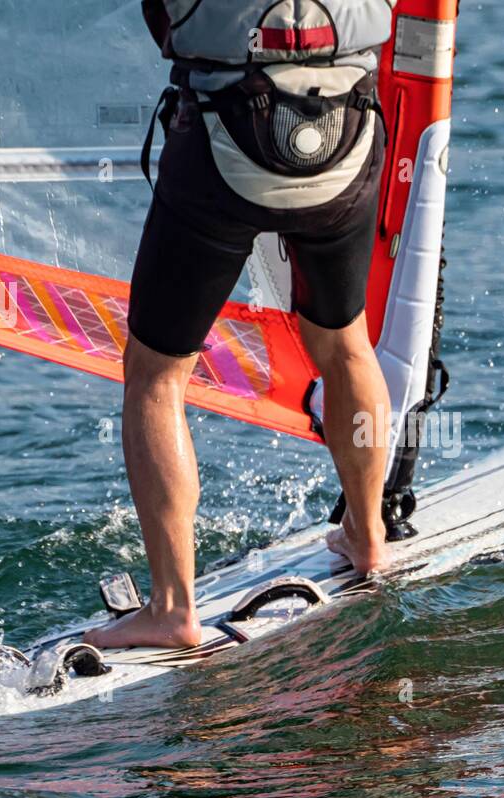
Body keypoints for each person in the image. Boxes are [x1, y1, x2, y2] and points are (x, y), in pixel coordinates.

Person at [87, 1, 398, 650]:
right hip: (347, 138)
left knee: (157, 376)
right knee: (345, 343)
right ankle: (368, 540)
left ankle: (173, 609)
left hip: (223, 145)